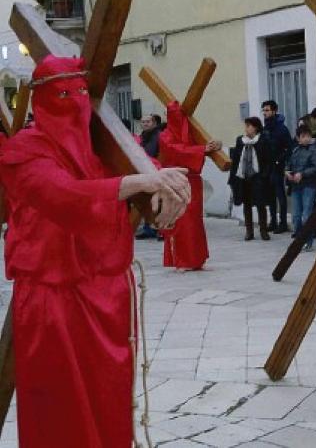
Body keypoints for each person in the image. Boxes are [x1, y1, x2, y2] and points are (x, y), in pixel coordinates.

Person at [0, 55, 191, 447]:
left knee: (109, 400)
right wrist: (142, 181)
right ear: (39, 101)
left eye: (82, 92)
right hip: (51, 301)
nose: (75, 102)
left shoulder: (103, 149)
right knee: (59, 408)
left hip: (106, 297)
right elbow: (63, 196)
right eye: (63, 94)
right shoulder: (24, 150)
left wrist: (166, 193)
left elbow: (145, 171)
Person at [159, 101, 223, 271]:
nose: (176, 119)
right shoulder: (165, 135)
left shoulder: (192, 133)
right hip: (174, 181)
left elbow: (204, 146)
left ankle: (196, 258)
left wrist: (214, 146)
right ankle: (182, 260)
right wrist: (202, 149)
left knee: (194, 221)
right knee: (179, 220)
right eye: (173, 116)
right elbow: (177, 151)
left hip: (193, 182)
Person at [228, 117, 273, 241]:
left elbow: (268, 159)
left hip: (258, 177)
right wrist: (233, 177)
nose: (246, 128)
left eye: (249, 126)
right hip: (243, 177)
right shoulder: (240, 140)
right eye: (246, 126)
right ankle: (249, 231)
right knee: (246, 204)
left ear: (256, 127)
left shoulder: (262, 140)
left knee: (260, 204)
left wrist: (264, 175)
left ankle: (263, 230)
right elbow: (236, 160)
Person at [286, 124, 316, 251]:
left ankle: (308, 240)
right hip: (296, 186)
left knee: (307, 215)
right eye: (303, 136)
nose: (306, 138)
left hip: (309, 185)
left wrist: (303, 174)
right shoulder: (295, 150)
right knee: (296, 216)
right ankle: (298, 239)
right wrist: (288, 173)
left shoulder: (314, 150)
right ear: (298, 138)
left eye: (308, 136)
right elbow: (289, 165)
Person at [261, 100, 293, 234]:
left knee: (280, 195)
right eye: (263, 110)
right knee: (270, 196)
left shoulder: (281, 128)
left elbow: (289, 148)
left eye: (267, 110)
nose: (265, 113)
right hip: (267, 166)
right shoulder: (265, 128)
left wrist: (280, 161)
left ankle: (283, 223)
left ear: (274, 111)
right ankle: (273, 221)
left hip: (277, 167)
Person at [135, 113, 162, 240]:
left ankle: (158, 228)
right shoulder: (143, 136)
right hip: (144, 171)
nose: (145, 124)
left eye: (148, 122)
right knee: (147, 200)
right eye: (143, 122)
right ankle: (148, 227)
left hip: (154, 170)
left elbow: (150, 152)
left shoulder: (157, 136)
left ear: (154, 123)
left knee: (156, 201)